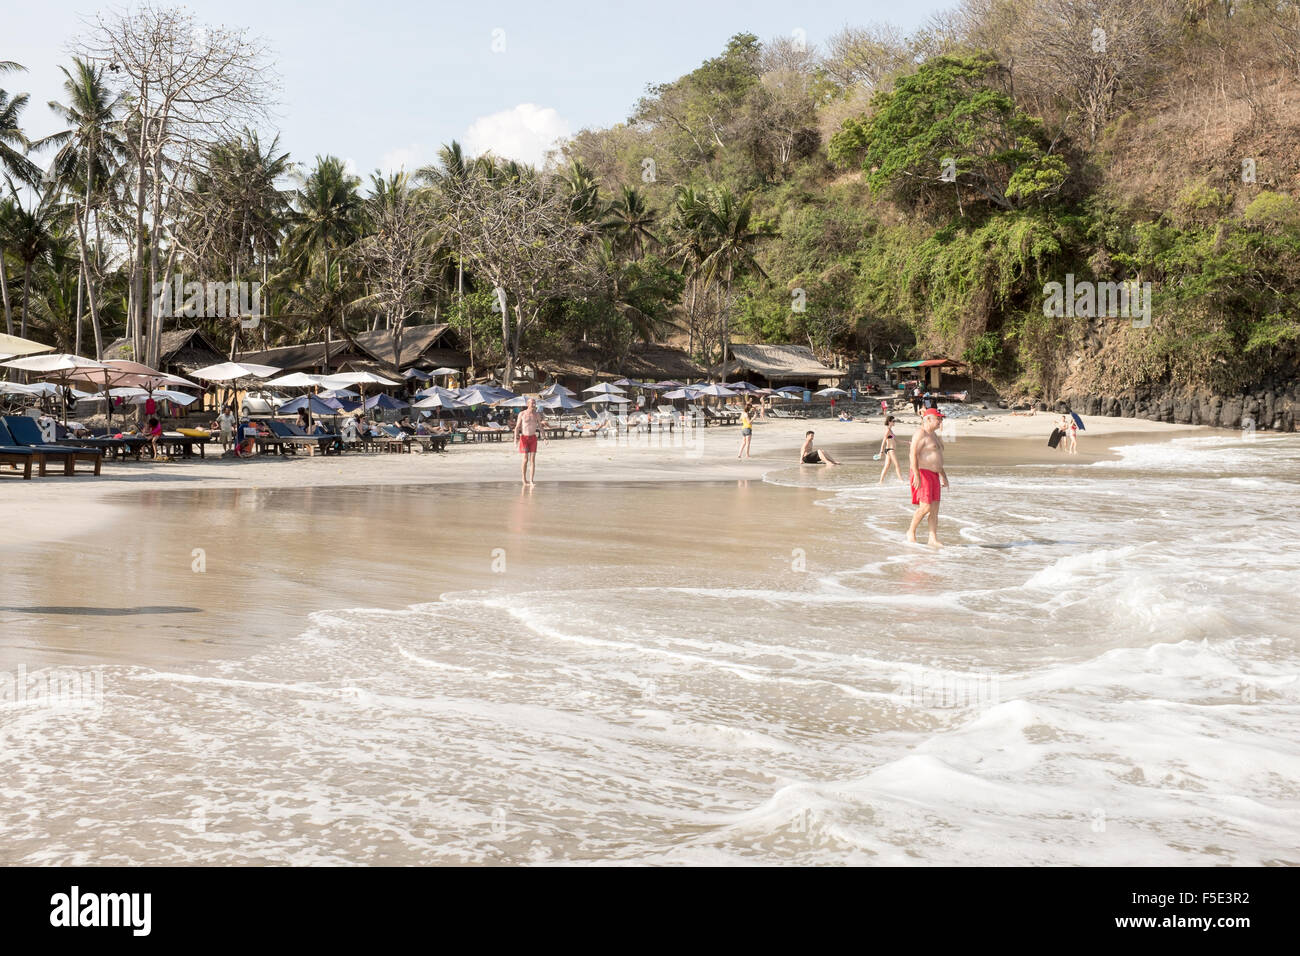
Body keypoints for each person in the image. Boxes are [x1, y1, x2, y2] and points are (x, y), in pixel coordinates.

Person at [907, 408, 950, 547]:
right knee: (925, 507)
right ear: (929, 419)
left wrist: (943, 475)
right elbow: (912, 454)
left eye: (941, 418)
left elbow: (937, 458)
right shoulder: (921, 433)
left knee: (935, 508)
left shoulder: (934, 435)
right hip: (922, 472)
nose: (940, 421)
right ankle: (911, 531)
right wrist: (917, 475)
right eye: (938, 418)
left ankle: (932, 538)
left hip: (934, 474)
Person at [514, 395, 546, 485]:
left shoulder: (537, 414)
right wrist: (515, 439)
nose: (533, 404)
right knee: (525, 459)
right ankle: (524, 479)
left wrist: (544, 438)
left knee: (532, 460)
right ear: (527, 404)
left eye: (534, 403)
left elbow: (540, 427)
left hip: (533, 438)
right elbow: (517, 427)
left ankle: (531, 480)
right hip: (524, 438)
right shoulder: (522, 414)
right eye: (531, 403)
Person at [878, 415, 904, 484]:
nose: (894, 422)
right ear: (889, 422)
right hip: (890, 450)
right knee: (897, 465)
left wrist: (908, 442)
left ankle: (880, 482)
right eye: (893, 421)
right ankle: (901, 480)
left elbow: (897, 440)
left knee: (886, 466)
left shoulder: (890, 431)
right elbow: (883, 442)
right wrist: (881, 452)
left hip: (889, 450)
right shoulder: (887, 431)